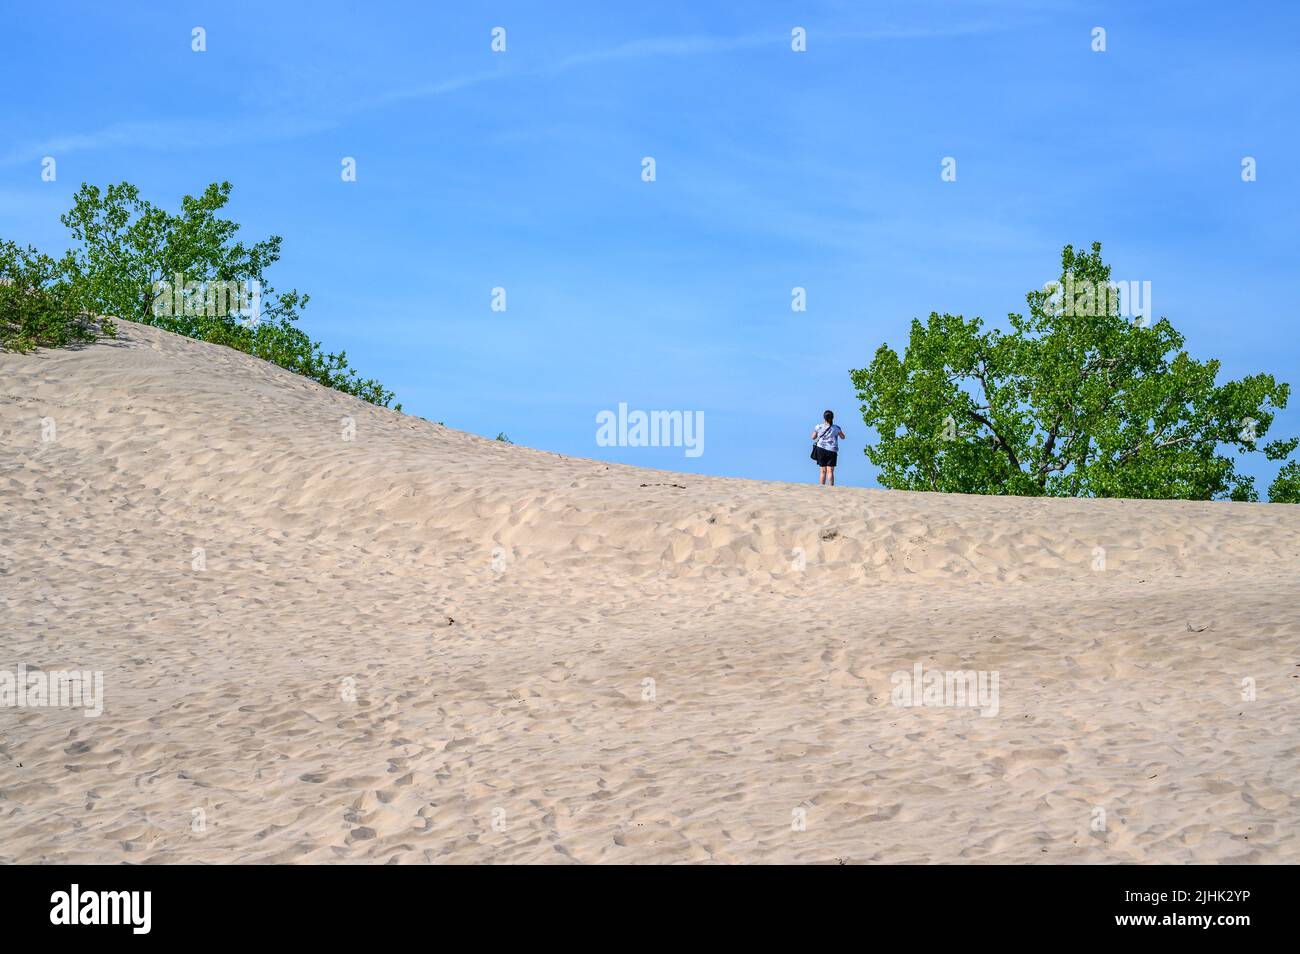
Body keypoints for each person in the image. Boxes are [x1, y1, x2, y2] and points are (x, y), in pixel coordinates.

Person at [810, 410, 845, 486]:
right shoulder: (836, 428)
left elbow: (813, 437)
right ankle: (831, 487)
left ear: (824, 418)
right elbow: (843, 437)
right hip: (832, 450)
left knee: (823, 471)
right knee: (830, 471)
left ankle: (821, 487)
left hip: (821, 449)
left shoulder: (819, 426)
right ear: (832, 418)